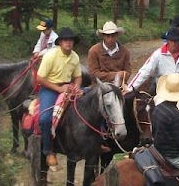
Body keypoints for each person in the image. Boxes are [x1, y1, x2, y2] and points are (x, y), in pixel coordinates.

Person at [37, 27, 82, 167]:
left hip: (68, 88)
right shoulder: (50, 56)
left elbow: (78, 76)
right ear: (60, 42)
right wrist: (58, 89)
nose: (68, 42)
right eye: (65, 40)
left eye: (71, 40)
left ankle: (97, 141)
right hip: (50, 88)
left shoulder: (75, 57)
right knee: (45, 119)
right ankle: (48, 150)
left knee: (95, 100)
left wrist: (77, 87)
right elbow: (40, 78)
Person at [125, 27, 179, 94]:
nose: (173, 43)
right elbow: (145, 71)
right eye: (171, 40)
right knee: (158, 102)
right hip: (163, 89)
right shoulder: (158, 54)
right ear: (167, 41)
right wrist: (130, 88)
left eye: (176, 41)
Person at [87, 21, 131, 86]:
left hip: (120, 85)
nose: (110, 39)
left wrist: (124, 75)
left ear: (116, 35)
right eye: (108, 36)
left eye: (113, 36)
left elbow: (128, 71)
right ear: (103, 36)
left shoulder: (125, 51)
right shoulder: (94, 51)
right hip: (99, 86)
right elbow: (93, 74)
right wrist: (116, 75)